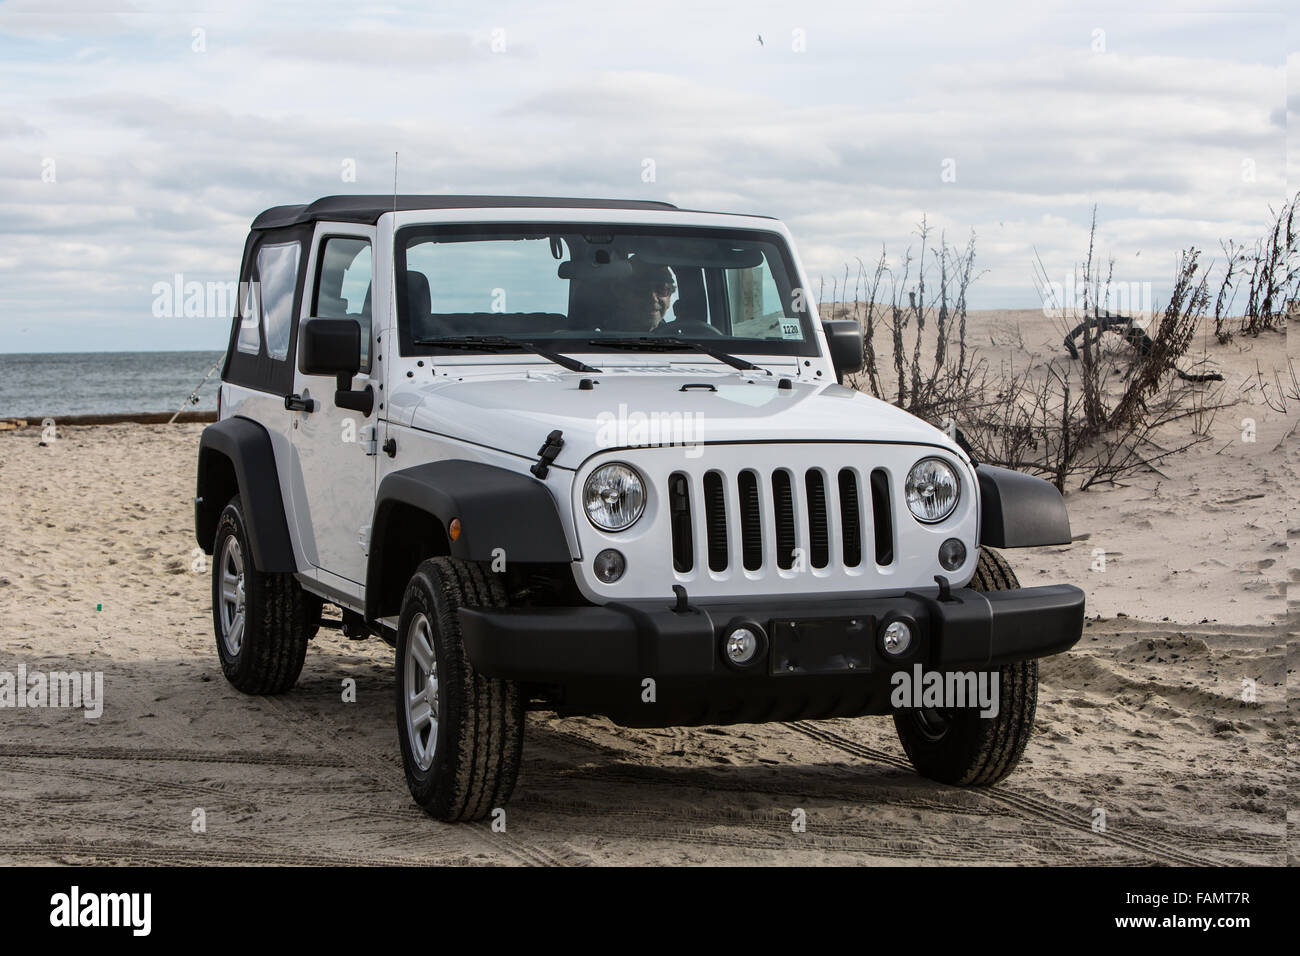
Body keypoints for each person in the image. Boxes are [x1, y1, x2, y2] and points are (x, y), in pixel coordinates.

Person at [612, 258, 676, 331]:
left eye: (661, 290)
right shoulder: (602, 337)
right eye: (642, 289)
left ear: (669, 298)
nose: (653, 298)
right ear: (622, 296)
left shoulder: (679, 339)